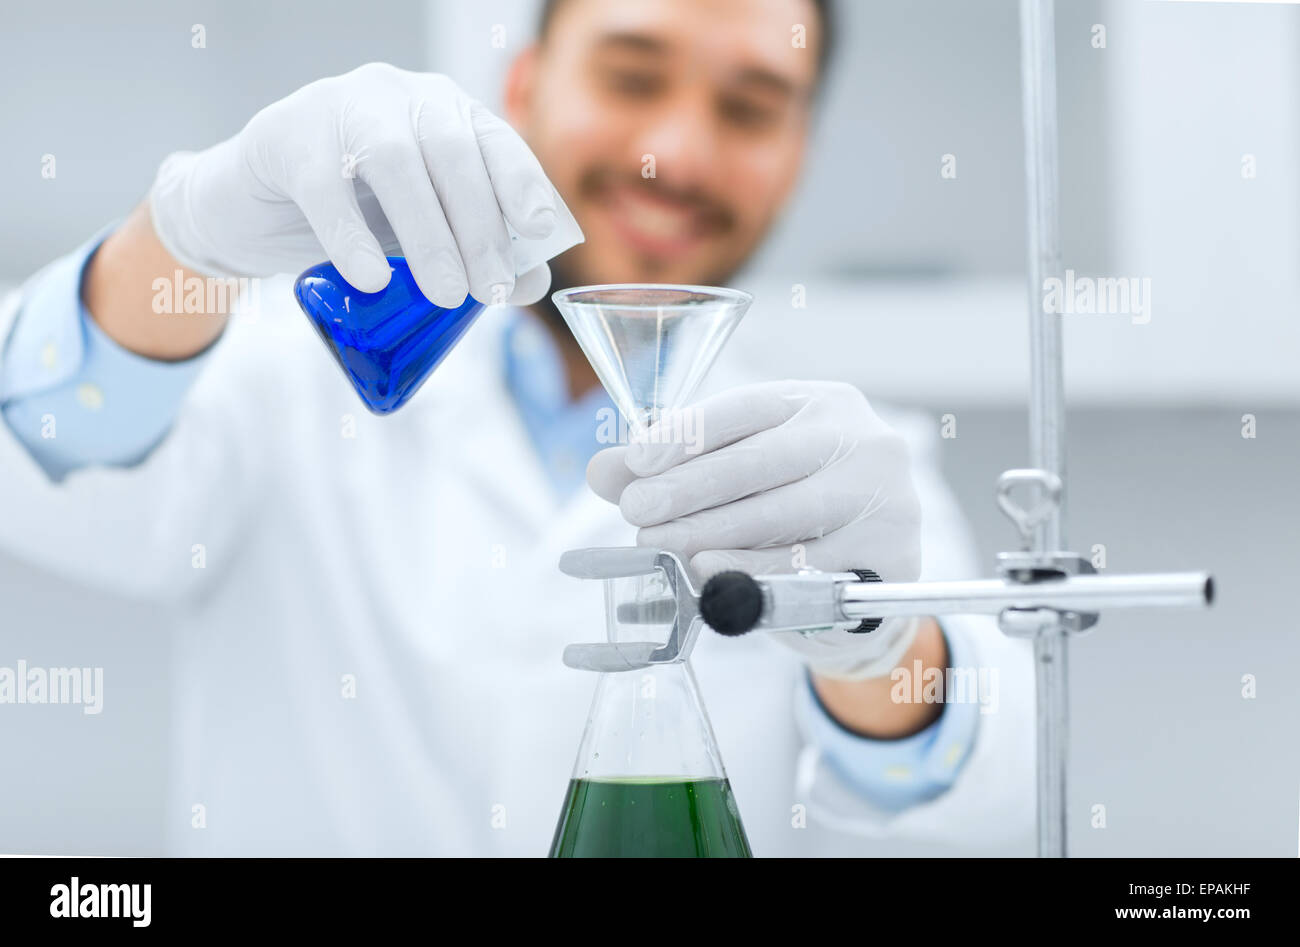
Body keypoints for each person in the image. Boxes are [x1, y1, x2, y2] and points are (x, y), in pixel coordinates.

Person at [0, 0, 1033, 856]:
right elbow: (40, 445)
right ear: (522, 88)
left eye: (750, 108)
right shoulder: (281, 375)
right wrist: (182, 239)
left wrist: (876, 642)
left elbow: (980, 804)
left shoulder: (837, 472)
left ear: (799, 149)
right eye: (632, 76)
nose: (674, 151)